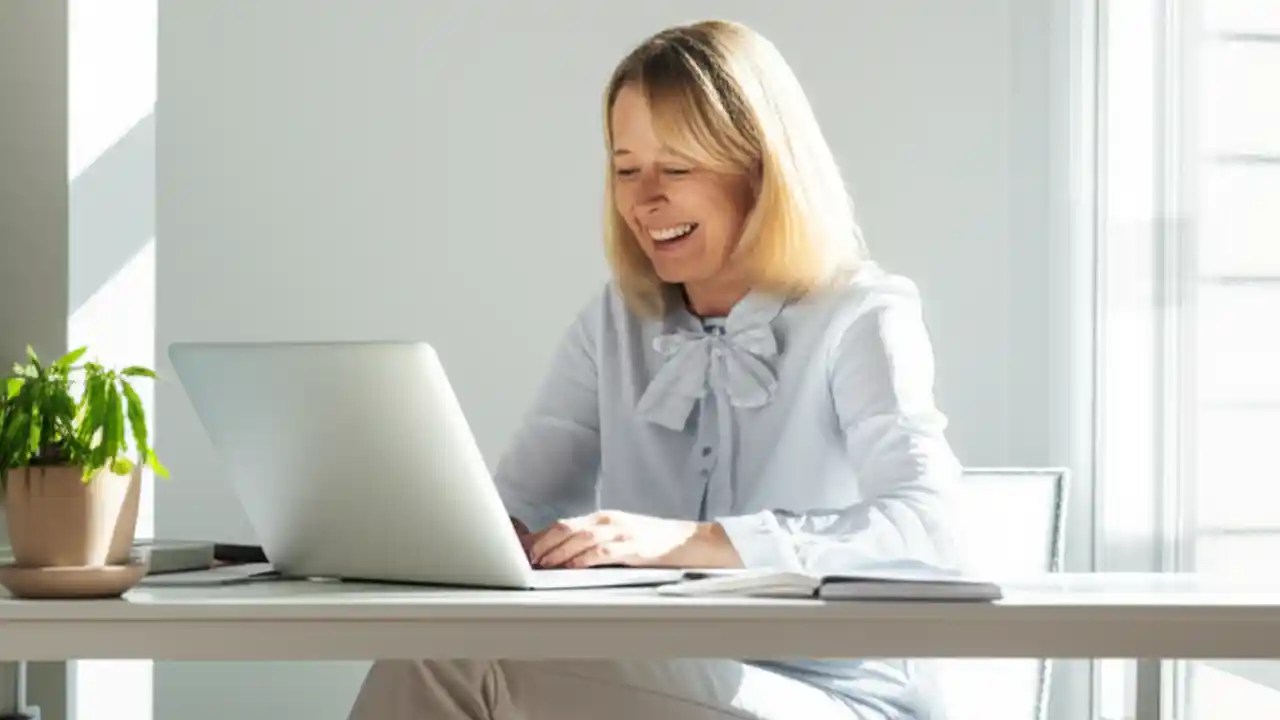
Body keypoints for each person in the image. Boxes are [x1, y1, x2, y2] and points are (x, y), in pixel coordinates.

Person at [348, 19, 960, 720]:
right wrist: (448, 535)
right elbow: (512, 513)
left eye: (676, 169)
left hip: (840, 696)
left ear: (761, 168)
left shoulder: (860, 315)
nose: (643, 201)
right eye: (624, 168)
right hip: (657, 680)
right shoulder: (614, 322)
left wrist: (688, 542)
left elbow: (930, 528)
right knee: (445, 639)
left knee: (459, 656)